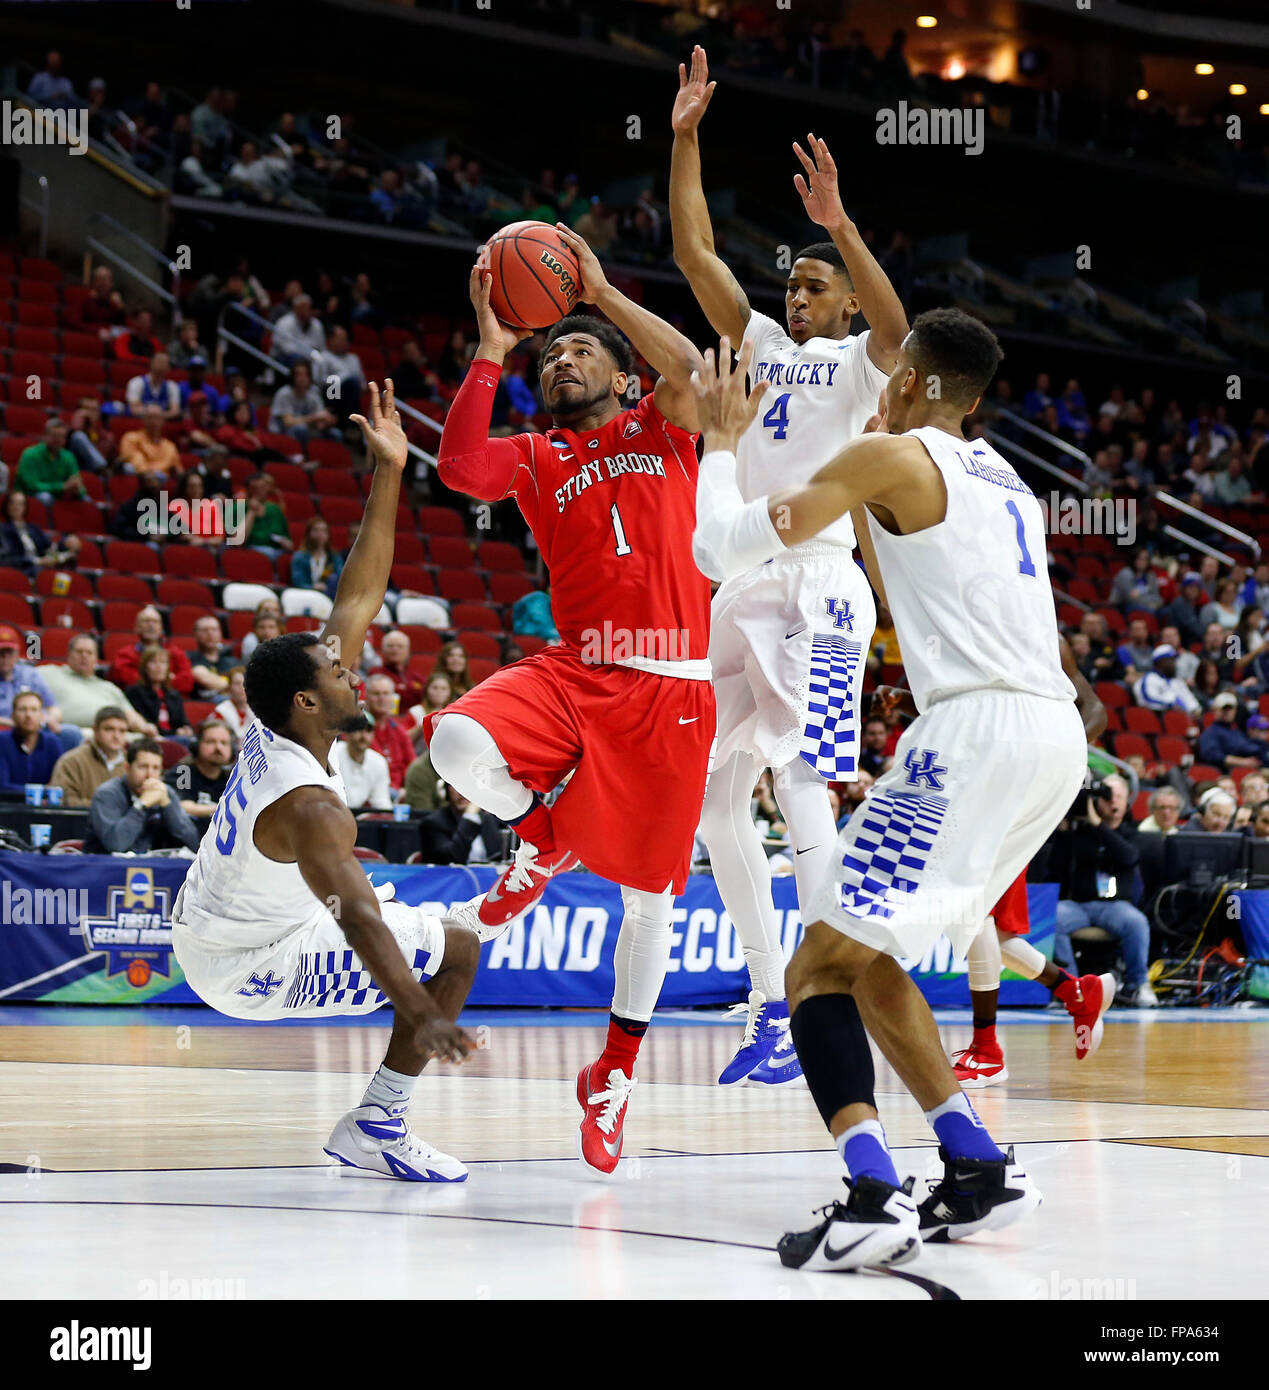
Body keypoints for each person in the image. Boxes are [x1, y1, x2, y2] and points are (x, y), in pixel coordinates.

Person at [689, 309, 1080, 1269]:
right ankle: (975, 1164)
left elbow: (723, 550)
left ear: (903, 378)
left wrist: (718, 443)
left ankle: (870, 1197)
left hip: (973, 735)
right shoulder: (1011, 482)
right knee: (867, 958)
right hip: (1052, 736)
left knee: (812, 970)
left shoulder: (890, 459)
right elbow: (896, 567)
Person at [427, 236, 713, 1179]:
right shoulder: (538, 456)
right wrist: (490, 346)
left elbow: (690, 364)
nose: (562, 357)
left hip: (673, 683)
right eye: (554, 353)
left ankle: (615, 1070)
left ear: (624, 381)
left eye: (580, 349)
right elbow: (462, 467)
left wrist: (602, 296)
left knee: (649, 903)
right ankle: (541, 835)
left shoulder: (664, 429)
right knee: (456, 740)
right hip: (576, 670)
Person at [170, 380, 480, 1181]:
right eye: (342, 674)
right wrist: (420, 1014)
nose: (359, 673)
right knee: (456, 950)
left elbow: (357, 595)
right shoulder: (310, 803)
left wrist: (389, 471)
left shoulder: (274, 721)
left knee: (421, 926)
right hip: (245, 967)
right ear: (310, 700)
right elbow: (361, 926)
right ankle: (380, 1118)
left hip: (215, 924)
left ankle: (377, 1117)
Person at [671, 49, 907, 1087]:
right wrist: (683, 137)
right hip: (742, 581)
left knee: (804, 776)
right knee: (717, 798)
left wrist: (846, 227)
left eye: (818, 284)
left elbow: (903, 332)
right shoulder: (760, 341)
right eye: (796, 282)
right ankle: (772, 1004)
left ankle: (828, 992)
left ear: (846, 299)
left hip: (818, 580)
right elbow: (694, 251)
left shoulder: (860, 363)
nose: (797, 294)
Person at [912, 639, 1118, 1088]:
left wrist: (1046, 759)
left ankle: (987, 1050)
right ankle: (1075, 992)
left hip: (1009, 785)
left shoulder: (1047, 638)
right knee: (985, 925)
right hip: (974, 780)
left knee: (971, 911)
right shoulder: (970, 629)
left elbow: (1096, 711)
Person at [1048, 775, 1157, 1008]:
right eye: (1108, 797)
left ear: (1128, 801)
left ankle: (1138, 984)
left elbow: (1129, 857)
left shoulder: (1132, 831)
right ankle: (1072, 987)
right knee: (1053, 918)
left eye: (1119, 797)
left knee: (1136, 922)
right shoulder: (1079, 831)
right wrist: (1063, 834)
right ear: (1096, 801)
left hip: (1115, 906)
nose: (1113, 802)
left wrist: (1098, 825)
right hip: (1079, 904)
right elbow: (1055, 867)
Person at [85, 738, 200, 854]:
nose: (150, 775)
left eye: (156, 768)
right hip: (107, 867)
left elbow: (193, 844)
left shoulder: (165, 792)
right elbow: (116, 844)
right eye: (143, 767)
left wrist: (168, 806)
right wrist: (141, 805)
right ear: (127, 768)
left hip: (155, 866)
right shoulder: (107, 794)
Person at [40, 635, 155, 735]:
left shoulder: (109, 687)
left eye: (89, 653)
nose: (84, 656)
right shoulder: (49, 673)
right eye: (79, 651)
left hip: (112, 735)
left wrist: (144, 727)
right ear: (69, 654)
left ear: (96, 659)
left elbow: (129, 714)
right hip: (70, 732)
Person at [48, 705, 133, 806]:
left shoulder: (133, 763)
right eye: (109, 729)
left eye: (122, 731)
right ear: (95, 730)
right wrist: (108, 808)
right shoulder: (71, 761)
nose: (116, 736)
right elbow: (65, 801)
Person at [0, 625, 68, 739]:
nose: (5, 658)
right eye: (1, 653)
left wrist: (50, 719)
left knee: (71, 733)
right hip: (5, 729)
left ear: (17, 654)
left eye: (9, 653)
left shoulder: (31, 674)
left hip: (37, 728)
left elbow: (53, 707)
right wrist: (17, 724)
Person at [110, 607, 195, 695]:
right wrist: (167, 679)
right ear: (136, 627)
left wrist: (152, 680)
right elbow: (126, 679)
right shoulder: (124, 654)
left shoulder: (176, 653)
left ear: (161, 628)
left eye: (155, 622)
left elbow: (187, 682)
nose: (151, 625)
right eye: (146, 621)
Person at [166, 720, 233, 830]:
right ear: (196, 745)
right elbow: (181, 807)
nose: (218, 748)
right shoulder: (184, 772)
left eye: (224, 743)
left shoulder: (232, 778)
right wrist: (223, 808)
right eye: (211, 742)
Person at [0, 489, 82, 573]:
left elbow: (49, 546)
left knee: (71, 562)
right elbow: (7, 559)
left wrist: (66, 542)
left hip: (42, 568)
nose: (16, 507)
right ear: (6, 506)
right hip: (23, 570)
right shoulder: (3, 530)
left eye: (20, 504)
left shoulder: (33, 528)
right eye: (13, 503)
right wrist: (37, 561)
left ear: (25, 507)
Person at [419, 783, 504, 864]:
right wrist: (469, 818)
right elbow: (452, 859)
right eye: (455, 785)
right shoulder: (433, 823)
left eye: (467, 785)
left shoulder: (487, 819)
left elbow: (498, 858)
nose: (461, 792)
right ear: (446, 790)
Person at [125, 645, 193, 741]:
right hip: (151, 739)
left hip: (176, 738)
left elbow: (183, 721)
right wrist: (175, 732)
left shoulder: (173, 694)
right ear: (144, 667)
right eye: (153, 662)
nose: (159, 667)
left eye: (163, 662)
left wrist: (187, 729)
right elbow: (147, 725)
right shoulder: (134, 692)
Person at [0, 691, 63, 791]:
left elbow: (60, 784)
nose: (28, 715)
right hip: (7, 804)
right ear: (13, 716)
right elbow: (2, 786)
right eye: (22, 710)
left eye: (34, 710)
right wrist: (42, 790)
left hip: (45, 805)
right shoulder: (2, 742)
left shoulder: (52, 742)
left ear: (42, 716)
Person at [269, 362, 338, 452]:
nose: (302, 379)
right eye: (299, 375)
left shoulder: (314, 392)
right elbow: (288, 422)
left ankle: (329, 462)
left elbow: (319, 422)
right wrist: (314, 418)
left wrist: (327, 421)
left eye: (305, 375)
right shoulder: (284, 394)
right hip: (282, 432)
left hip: (308, 431)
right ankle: (302, 459)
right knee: (300, 429)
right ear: (293, 377)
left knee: (335, 433)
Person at [16, 420, 89, 503]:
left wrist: (77, 490)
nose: (59, 440)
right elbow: (31, 485)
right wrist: (62, 487)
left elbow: (78, 483)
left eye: (62, 436)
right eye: (55, 436)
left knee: (86, 500)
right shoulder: (30, 455)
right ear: (45, 436)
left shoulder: (68, 456)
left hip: (57, 496)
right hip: (28, 497)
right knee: (45, 497)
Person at [364, 675, 415, 790]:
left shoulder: (399, 730)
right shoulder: (358, 729)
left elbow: (412, 766)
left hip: (400, 794)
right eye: (376, 694)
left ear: (393, 698)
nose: (381, 698)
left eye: (386, 694)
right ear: (366, 697)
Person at [1199, 692, 1269, 770]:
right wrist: (1243, 762)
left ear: (1235, 710)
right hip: (1229, 773)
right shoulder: (1210, 733)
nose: (1227, 712)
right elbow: (1212, 755)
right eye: (1224, 709)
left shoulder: (1236, 730)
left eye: (1230, 709)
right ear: (1214, 710)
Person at [118, 404, 183, 480]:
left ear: (163, 421)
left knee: (166, 489)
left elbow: (179, 471)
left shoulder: (170, 446)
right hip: (141, 481)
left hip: (163, 486)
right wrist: (153, 473)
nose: (153, 421)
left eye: (157, 417)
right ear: (144, 420)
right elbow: (136, 464)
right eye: (150, 417)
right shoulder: (131, 438)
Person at [1133, 643, 1201, 713]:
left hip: (1185, 720)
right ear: (1161, 662)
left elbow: (1191, 701)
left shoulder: (1177, 681)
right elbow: (1147, 700)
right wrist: (1171, 704)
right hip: (1160, 718)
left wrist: (1196, 710)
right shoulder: (1149, 679)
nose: (1175, 663)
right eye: (1172, 660)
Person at [369, 629, 424, 712]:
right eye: (390, 646)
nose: (395, 650)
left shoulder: (416, 677)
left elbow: (426, 696)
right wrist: (410, 690)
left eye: (400, 646)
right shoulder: (376, 673)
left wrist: (401, 689)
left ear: (408, 651)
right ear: (382, 650)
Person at [289, 516, 344, 597]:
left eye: (323, 531)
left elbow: (341, 578)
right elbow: (298, 581)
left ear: (328, 534)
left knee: (333, 578)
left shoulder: (334, 557)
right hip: (307, 594)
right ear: (308, 533)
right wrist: (313, 587)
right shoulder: (300, 557)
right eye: (316, 530)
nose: (320, 534)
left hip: (329, 595)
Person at [241, 474, 293, 556]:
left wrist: (287, 543)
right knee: (269, 552)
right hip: (251, 550)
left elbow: (289, 542)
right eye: (255, 488)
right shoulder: (236, 507)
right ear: (248, 490)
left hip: (278, 550)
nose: (259, 491)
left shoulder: (275, 510)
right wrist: (252, 511)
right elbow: (238, 542)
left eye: (263, 487)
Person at [187, 615, 235, 699]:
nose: (210, 634)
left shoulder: (231, 660)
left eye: (214, 629)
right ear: (195, 634)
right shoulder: (189, 659)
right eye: (205, 630)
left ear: (221, 633)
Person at [125, 352, 183, 419]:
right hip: (139, 422)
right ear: (151, 363)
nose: (162, 364)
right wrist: (151, 412)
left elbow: (175, 411)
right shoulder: (136, 382)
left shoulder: (172, 386)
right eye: (159, 361)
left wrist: (158, 415)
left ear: (169, 368)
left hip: (161, 422)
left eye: (165, 362)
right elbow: (134, 409)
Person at [213, 666, 252, 739]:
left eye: (245, 684)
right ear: (229, 687)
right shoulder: (221, 711)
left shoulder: (257, 710)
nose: (242, 687)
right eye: (237, 683)